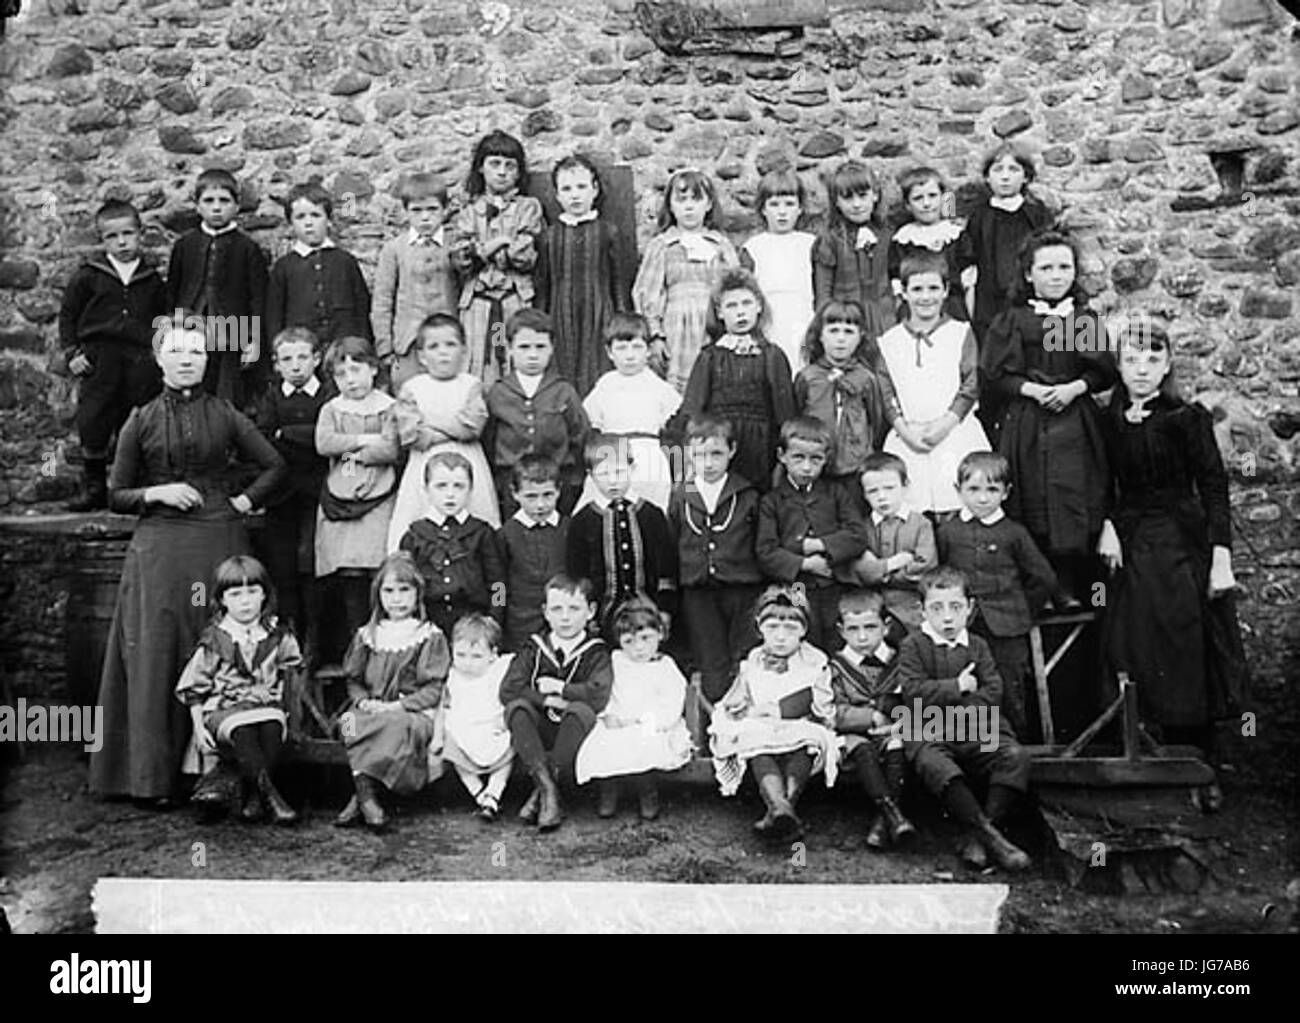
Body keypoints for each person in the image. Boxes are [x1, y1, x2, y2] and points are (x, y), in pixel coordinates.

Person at [89, 324, 285, 804]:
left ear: (206, 359)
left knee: (220, 646)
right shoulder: (141, 419)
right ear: (159, 360)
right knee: (157, 648)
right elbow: (115, 493)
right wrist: (156, 492)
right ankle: (153, 778)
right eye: (176, 352)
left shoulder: (226, 414)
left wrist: (242, 502)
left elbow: (275, 465)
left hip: (218, 537)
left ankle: (221, 775)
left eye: (196, 352)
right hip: (159, 545)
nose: (187, 360)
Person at [1098, 327, 1247, 811]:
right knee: (1133, 643)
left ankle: (1201, 767)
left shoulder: (1187, 418)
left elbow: (1214, 486)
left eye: (1152, 359)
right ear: (1119, 366)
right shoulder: (1108, 419)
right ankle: (1147, 760)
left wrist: (1220, 556)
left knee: (1187, 646)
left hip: (1184, 541)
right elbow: (1103, 480)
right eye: (1132, 359)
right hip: (1132, 541)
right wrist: (1107, 525)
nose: (1141, 368)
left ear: (1166, 367)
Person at [981, 229, 1115, 596]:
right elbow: (995, 377)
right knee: (1033, 499)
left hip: (1075, 423)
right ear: (1028, 274)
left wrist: (1074, 388)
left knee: (1076, 501)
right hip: (1028, 424)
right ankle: (1043, 588)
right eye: (1047, 268)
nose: (1057, 275)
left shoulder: (1080, 319)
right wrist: (1035, 390)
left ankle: (1079, 588)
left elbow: (1102, 372)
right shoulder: (1013, 320)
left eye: (1064, 267)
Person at [895, 567, 1032, 871]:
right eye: (937, 608)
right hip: (928, 726)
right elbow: (913, 693)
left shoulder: (979, 646)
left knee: (1013, 755)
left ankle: (978, 834)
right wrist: (957, 687)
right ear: (922, 612)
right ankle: (992, 838)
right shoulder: (913, 646)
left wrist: (958, 704)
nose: (947, 618)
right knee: (933, 761)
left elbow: (994, 690)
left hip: (975, 726)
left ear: (969, 609)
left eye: (956, 607)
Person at [937, 451, 1079, 738]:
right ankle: (972, 748)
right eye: (973, 489)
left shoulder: (1014, 532)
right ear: (958, 490)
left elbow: (1043, 577)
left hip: (1007, 628)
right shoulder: (948, 531)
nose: (982, 498)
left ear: (1006, 493)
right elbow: (940, 575)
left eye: (992, 490)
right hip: (962, 627)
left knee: (1007, 688)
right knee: (965, 687)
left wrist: (1021, 608)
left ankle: (1013, 750)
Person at [175, 555, 302, 825]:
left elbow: (292, 670)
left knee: (271, 726)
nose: (245, 601)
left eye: (252, 592)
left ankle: (254, 798)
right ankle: (273, 799)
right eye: (235, 594)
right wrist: (198, 728)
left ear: (265, 595)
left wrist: (280, 697)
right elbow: (194, 689)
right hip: (223, 709)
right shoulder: (215, 639)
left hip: (265, 705)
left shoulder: (277, 634)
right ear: (222, 599)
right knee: (243, 729)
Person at [59, 199, 169, 511]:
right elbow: (68, 316)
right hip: (99, 359)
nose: (121, 242)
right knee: (94, 420)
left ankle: (130, 489)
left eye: (128, 234)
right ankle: (94, 488)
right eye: (112, 236)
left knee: (134, 421)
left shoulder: (151, 278)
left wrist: (158, 352)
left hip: (139, 360)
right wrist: (72, 353)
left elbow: (163, 318)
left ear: (140, 234)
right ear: (102, 239)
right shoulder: (89, 275)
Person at [709, 585, 839, 843]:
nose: (781, 637)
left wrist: (791, 711)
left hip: (799, 724)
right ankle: (781, 807)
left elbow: (822, 705)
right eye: (772, 628)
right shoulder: (755, 657)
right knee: (756, 743)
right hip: (762, 725)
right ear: (759, 627)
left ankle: (780, 810)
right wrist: (737, 706)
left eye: (790, 629)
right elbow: (738, 695)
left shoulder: (815, 660)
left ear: (804, 630)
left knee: (807, 743)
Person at [335, 552, 450, 832]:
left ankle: (363, 797)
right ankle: (366, 796)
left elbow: (435, 688)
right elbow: (354, 680)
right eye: (389, 591)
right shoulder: (367, 635)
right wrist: (363, 701)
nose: (396, 599)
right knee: (348, 723)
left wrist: (396, 707)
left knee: (396, 726)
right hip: (372, 709)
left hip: (410, 710)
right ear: (378, 595)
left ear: (418, 593)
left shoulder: (428, 635)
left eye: (404, 590)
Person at [875, 252, 990, 515]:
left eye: (933, 288)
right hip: (909, 435)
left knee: (957, 502)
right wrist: (904, 430)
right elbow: (885, 390)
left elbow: (971, 383)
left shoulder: (960, 332)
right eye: (916, 289)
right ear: (903, 292)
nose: (925, 297)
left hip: (953, 431)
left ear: (946, 290)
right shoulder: (890, 341)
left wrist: (945, 425)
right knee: (911, 508)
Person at [499, 573, 613, 832]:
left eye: (574, 609)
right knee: (516, 708)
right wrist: (545, 699)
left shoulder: (596, 651)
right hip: (538, 731)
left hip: (574, 736)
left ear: (591, 611)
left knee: (580, 710)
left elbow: (598, 693)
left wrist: (562, 689)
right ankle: (548, 789)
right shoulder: (534, 647)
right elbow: (509, 688)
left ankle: (543, 795)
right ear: (545, 612)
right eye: (557, 609)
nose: (565, 617)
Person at [314, 336, 400, 663]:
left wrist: (351, 449)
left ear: (373, 369)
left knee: (377, 570)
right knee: (348, 572)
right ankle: (356, 648)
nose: (350, 380)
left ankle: (385, 647)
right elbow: (325, 443)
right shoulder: (332, 409)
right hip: (343, 492)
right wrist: (365, 441)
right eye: (341, 374)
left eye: (356, 370)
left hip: (379, 494)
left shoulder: (388, 406)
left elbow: (392, 448)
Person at [668, 414, 762, 704]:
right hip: (698, 593)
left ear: (732, 451)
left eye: (716, 454)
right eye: (699, 455)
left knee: (745, 657)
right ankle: (717, 731)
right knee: (711, 662)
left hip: (740, 589)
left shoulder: (746, 494)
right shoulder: (681, 493)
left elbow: (759, 542)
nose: (708, 463)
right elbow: (673, 540)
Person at [387, 313, 499, 552]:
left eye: (450, 345)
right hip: (424, 463)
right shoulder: (412, 388)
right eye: (434, 347)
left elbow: (472, 426)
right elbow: (412, 435)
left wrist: (433, 425)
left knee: (473, 513)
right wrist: (452, 427)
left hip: (468, 459)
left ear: (464, 351)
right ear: (422, 356)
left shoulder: (471, 384)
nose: (443, 352)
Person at [757, 416, 868, 653]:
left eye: (815, 459)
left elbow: (857, 535)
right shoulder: (772, 501)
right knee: (804, 633)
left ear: (825, 459)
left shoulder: (836, 493)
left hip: (834, 584)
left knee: (837, 638)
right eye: (798, 457)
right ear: (782, 456)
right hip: (796, 586)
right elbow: (766, 552)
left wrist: (816, 544)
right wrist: (806, 563)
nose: (807, 467)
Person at [252, 326, 330, 667]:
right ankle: (289, 635)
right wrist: (301, 437)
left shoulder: (328, 395)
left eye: (302, 357)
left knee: (314, 566)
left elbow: (327, 438)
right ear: (277, 365)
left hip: (318, 494)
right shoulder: (271, 397)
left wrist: (289, 433)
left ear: (316, 359)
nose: (295, 365)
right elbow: (264, 439)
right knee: (282, 567)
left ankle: (317, 638)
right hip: (280, 495)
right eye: (287, 359)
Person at [680, 267, 797, 493]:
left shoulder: (772, 355)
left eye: (746, 304)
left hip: (762, 449)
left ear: (759, 306)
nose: (740, 312)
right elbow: (693, 411)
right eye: (731, 306)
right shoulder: (710, 357)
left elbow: (785, 415)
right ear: (720, 312)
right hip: (720, 446)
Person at [575, 597, 693, 820]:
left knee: (643, 742)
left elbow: (672, 702)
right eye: (629, 641)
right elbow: (607, 691)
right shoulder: (617, 661)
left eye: (646, 638)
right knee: (604, 741)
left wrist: (645, 720)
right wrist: (608, 713)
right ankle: (608, 790)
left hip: (651, 722)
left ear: (660, 633)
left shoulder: (665, 666)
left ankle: (646, 791)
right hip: (618, 719)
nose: (638, 648)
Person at [166, 168, 270, 408]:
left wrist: (254, 341)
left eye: (224, 201)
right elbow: (172, 294)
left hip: (231, 333)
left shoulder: (247, 248)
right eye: (209, 201)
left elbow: (258, 299)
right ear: (197, 206)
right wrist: (167, 334)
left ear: (236, 206)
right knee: (189, 391)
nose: (216, 207)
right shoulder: (185, 245)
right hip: (190, 329)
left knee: (227, 397)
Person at [450, 130, 545, 384]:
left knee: (514, 363)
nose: (502, 172)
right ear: (481, 168)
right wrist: (499, 242)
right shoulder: (469, 211)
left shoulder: (528, 207)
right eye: (495, 164)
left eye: (509, 166)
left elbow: (524, 255)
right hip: (478, 303)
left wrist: (482, 250)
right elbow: (461, 259)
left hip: (513, 299)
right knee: (479, 365)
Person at [632, 168, 739, 391]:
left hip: (712, 326)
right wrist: (655, 336)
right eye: (681, 200)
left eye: (696, 199)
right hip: (675, 327)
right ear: (670, 206)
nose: (689, 206)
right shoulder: (662, 245)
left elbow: (734, 287)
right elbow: (647, 292)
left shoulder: (720, 245)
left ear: (708, 204)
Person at [535, 153, 632, 395]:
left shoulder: (607, 232)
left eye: (581, 187)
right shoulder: (549, 237)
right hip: (561, 316)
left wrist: (621, 319)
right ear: (557, 195)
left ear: (595, 189)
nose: (575, 195)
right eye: (566, 189)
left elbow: (618, 281)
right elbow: (543, 286)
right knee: (563, 371)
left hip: (599, 313)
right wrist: (540, 323)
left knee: (599, 370)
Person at [829, 589, 915, 849]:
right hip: (854, 736)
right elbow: (833, 710)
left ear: (886, 627)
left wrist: (897, 722)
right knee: (860, 746)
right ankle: (890, 814)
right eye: (853, 629)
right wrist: (872, 716)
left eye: (870, 627)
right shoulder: (835, 666)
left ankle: (882, 822)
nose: (863, 636)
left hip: (892, 731)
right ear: (842, 631)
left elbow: (913, 699)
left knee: (897, 743)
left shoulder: (902, 662)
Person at [567, 433, 678, 633]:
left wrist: (665, 609)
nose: (613, 482)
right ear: (590, 475)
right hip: (602, 616)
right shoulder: (582, 522)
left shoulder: (651, 515)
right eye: (603, 474)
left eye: (619, 472)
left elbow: (666, 569)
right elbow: (577, 573)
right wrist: (587, 616)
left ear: (632, 469)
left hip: (649, 613)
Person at [483, 308, 589, 518]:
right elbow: (488, 440)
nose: (532, 355)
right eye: (524, 347)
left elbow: (580, 435)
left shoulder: (563, 391)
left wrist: (574, 480)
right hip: (512, 488)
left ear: (551, 349)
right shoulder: (498, 392)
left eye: (540, 347)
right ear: (510, 349)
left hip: (557, 486)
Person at [578, 312, 681, 511]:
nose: (630, 355)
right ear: (609, 352)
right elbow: (590, 421)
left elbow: (677, 420)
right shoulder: (606, 384)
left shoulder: (658, 386)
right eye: (621, 348)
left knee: (650, 510)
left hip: (648, 456)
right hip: (611, 454)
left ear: (649, 350)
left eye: (637, 347)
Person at [956, 142, 1054, 350]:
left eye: (1013, 169)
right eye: (998, 170)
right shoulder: (980, 217)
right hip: (990, 302)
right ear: (987, 177)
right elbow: (969, 266)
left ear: (1026, 176)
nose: (1005, 176)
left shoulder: (1036, 214)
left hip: (1029, 298)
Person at [398, 452, 506, 639]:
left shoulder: (482, 533)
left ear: (470, 490)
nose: (450, 494)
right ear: (426, 489)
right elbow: (405, 583)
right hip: (427, 625)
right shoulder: (414, 535)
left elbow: (498, 583)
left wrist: (494, 618)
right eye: (441, 486)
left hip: (473, 625)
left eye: (459, 486)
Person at [371, 171, 460, 393]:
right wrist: (386, 349)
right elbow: (382, 300)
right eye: (417, 211)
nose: (425, 218)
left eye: (432, 209)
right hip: (408, 345)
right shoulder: (394, 249)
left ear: (445, 210)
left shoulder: (456, 245)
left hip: (448, 342)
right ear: (406, 212)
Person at [794, 299, 888, 495]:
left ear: (861, 336)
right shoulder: (808, 377)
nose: (841, 339)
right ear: (820, 335)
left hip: (855, 468)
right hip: (817, 466)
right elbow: (798, 417)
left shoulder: (866, 378)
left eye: (848, 332)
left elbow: (876, 422)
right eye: (834, 331)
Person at [265, 182, 372, 347]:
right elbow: (274, 316)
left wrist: (363, 345)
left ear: (328, 220)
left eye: (315, 215)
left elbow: (362, 308)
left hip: (343, 348)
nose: (308, 223)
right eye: (300, 217)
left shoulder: (345, 261)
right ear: (290, 224)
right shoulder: (284, 267)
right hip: (302, 352)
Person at [843, 451, 936, 638]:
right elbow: (858, 571)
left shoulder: (921, 524)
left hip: (910, 608)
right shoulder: (861, 527)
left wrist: (876, 571)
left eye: (889, 488)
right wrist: (893, 563)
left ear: (905, 486)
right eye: (873, 491)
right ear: (864, 494)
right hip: (870, 609)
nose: (882, 497)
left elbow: (924, 569)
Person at [740, 170, 816, 373]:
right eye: (774, 205)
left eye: (789, 204)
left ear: (800, 208)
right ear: (763, 209)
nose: (782, 212)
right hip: (770, 322)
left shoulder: (810, 244)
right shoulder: (754, 247)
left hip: (804, 319)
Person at [812, 160, 895, 346]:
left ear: (875, 195)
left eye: (863, 195)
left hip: (886, 319)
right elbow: (823, 294)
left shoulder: (887, 235)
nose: (857, 204)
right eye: (848, 198)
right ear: (837, 202)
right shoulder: (830, 240)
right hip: (847, 323)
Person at [441, 614, 515, 822]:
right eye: (461, 655)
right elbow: (446, 704)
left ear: (492, 654)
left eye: (476, 656)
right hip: (463, 725)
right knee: (454, 748)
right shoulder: (452, 675)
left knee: (508, 749)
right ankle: (478, 792)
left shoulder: (499, 669)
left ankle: (495, 791)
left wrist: (504, 718)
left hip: (493, 723)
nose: (467, 663)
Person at [496, 455, 571, 652]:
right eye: (531, 496)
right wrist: (498, 616)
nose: (540, 505)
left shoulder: (570, 529)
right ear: (514, 494)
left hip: (564, 622)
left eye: (547, 495)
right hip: (520, 625)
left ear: (559, 491)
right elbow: (498, 583)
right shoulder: (505, 534)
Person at [888, 166, 972, 324]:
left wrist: (970, 321)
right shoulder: (903, 239)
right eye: (918, 198)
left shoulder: (955, 235)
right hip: (915, 311)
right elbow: (898, 289)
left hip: (953, 309)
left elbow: (969, 285)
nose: (926, 204)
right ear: (907, 204)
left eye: (932, 196)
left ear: (943, 198)